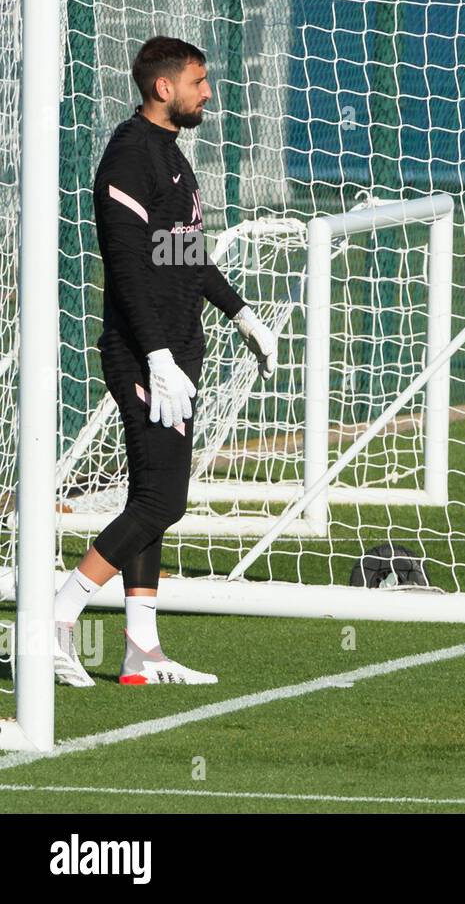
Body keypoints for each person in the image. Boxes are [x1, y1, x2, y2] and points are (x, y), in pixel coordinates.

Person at [52, 36, 277, 686]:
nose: (208, 92)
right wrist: (153, 356)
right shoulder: (128, 157)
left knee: (154, 498)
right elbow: (124, 269)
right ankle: (57, 617)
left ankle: (141, 649)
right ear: (163, 89)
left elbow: (187, 257)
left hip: (179, 355)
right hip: (146, 358)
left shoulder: (174, 160)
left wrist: (242, 315)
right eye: (199, 81)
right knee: (160, 501)